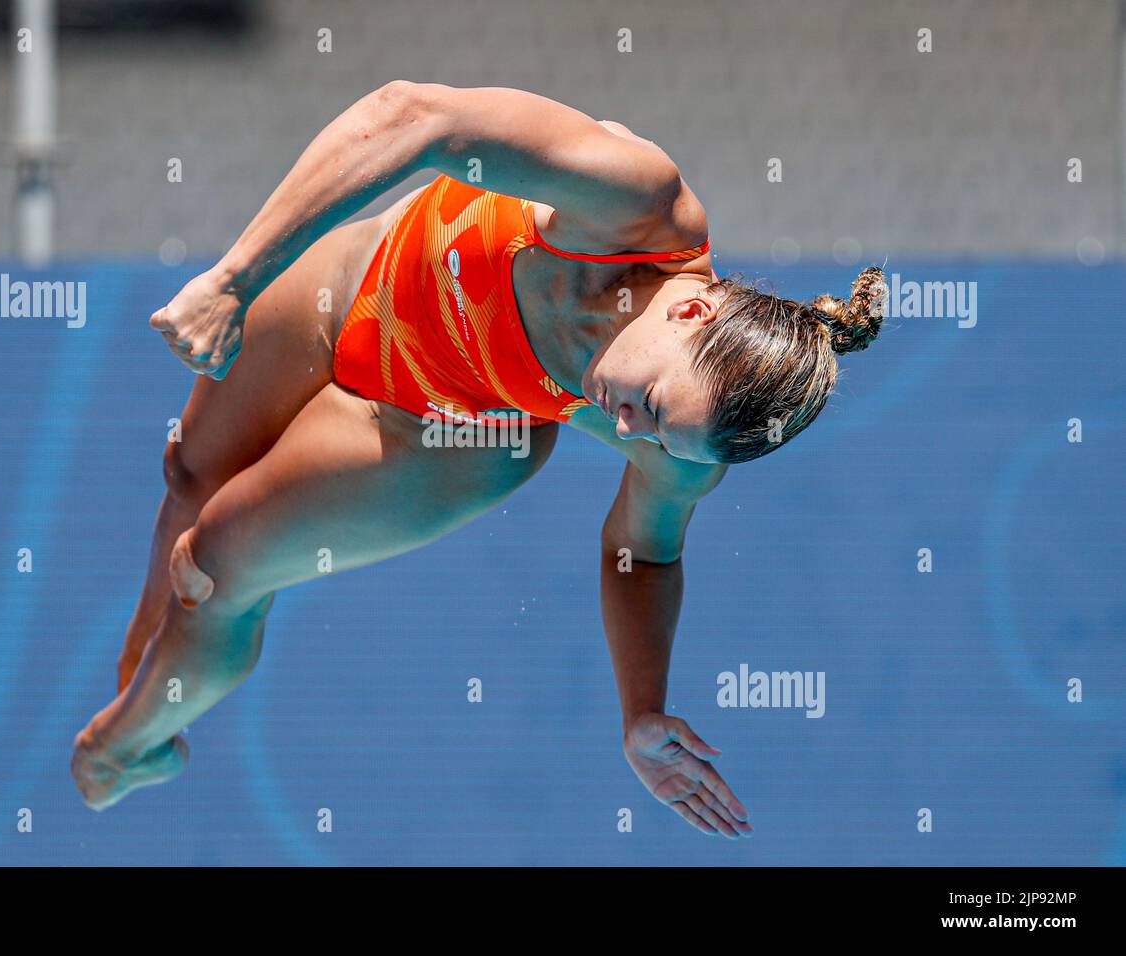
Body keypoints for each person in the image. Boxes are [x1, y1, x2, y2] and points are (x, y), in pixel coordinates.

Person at [71, 82, 886, 839]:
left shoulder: (685, 452)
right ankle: (141, 716)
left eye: (656, 444)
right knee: (187, 477)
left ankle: (117, 745)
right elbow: (413, 115)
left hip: (448, 431)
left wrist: (642, 709)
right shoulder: (635, 201)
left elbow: (643, 550)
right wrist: (233, 278)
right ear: (695, 307)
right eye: (655, 410)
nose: (630, 431)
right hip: (357, 283)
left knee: (213, 564)